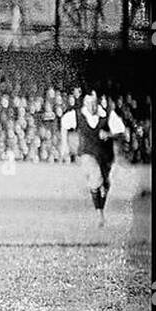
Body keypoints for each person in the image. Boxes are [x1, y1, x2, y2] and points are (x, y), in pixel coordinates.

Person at [60, 88, 128, 227]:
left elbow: (121, 132)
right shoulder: (77, 115)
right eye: (88, 103)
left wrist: (109, 135)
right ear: (84, 102)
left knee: (105, 184)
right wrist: (64, 145)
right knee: (96, 177)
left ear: (97, 103)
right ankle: (99, 213)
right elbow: (64, 124)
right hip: (87, 153)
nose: (91, 106)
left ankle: (100, 212)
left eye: (94, 103)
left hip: (105, 155)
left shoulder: (108, 115)